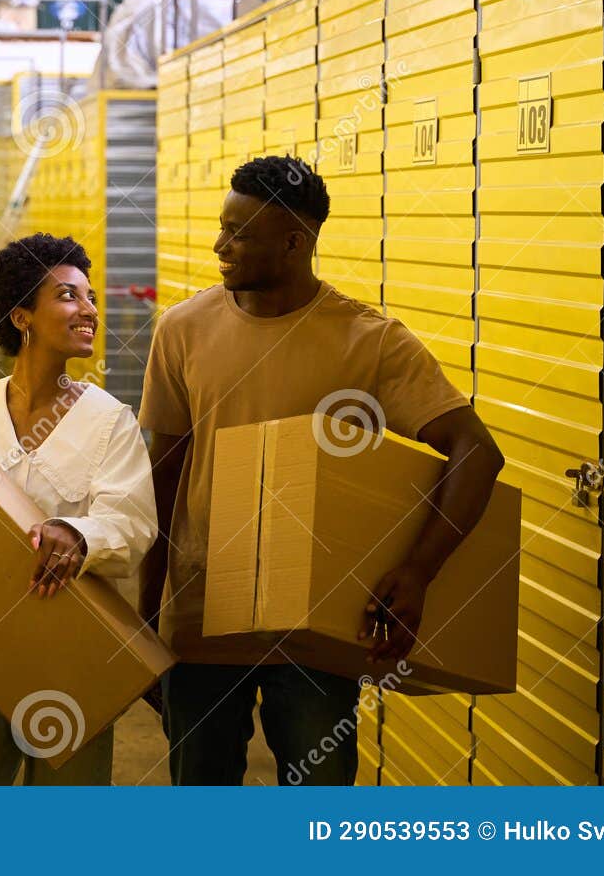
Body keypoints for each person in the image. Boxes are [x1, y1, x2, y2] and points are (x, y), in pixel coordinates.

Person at [137, 156, 506, 786]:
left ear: (294, 243)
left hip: (316, 627)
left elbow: (477, 452)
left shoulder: (371, 342)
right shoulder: (182, 330)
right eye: (222, 228)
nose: (220, 246)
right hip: (203, 613)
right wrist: (146, 614)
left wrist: (419, 571)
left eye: (240, 234)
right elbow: (164, 472)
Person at [0, 232, 157, 786]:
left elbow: (134, 524)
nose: (89, 310)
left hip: (72, 658)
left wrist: (78, 535)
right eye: (69, 296)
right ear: (22, 316)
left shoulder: (109, 419)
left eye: (91, 297)